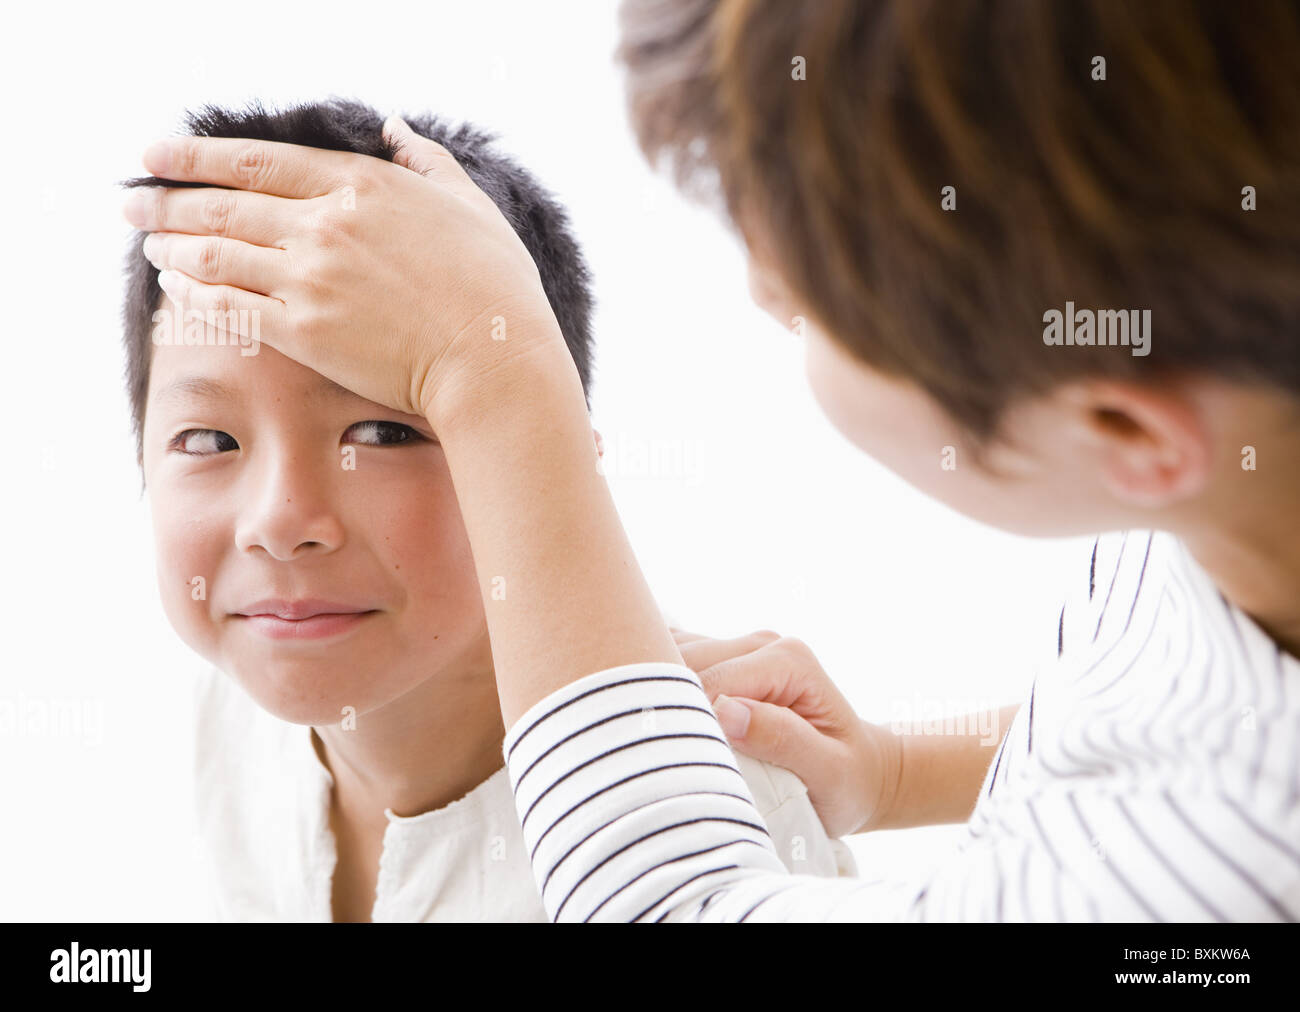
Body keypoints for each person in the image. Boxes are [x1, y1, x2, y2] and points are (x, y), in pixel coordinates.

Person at [123, 0, 1300, 921]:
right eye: (208, 437)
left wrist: (495, 377)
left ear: (1129, 435)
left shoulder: (1238, 869)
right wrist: (901, 772)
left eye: (819, 304)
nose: (764, 293)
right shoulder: (1235, 492)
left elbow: (673, 906)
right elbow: (1152, 704)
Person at [120, 97, 856, 923]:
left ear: (545, 458)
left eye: (383, 431)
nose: (280, 522)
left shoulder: (715, 814)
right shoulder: (227, 724)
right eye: (210, 441)